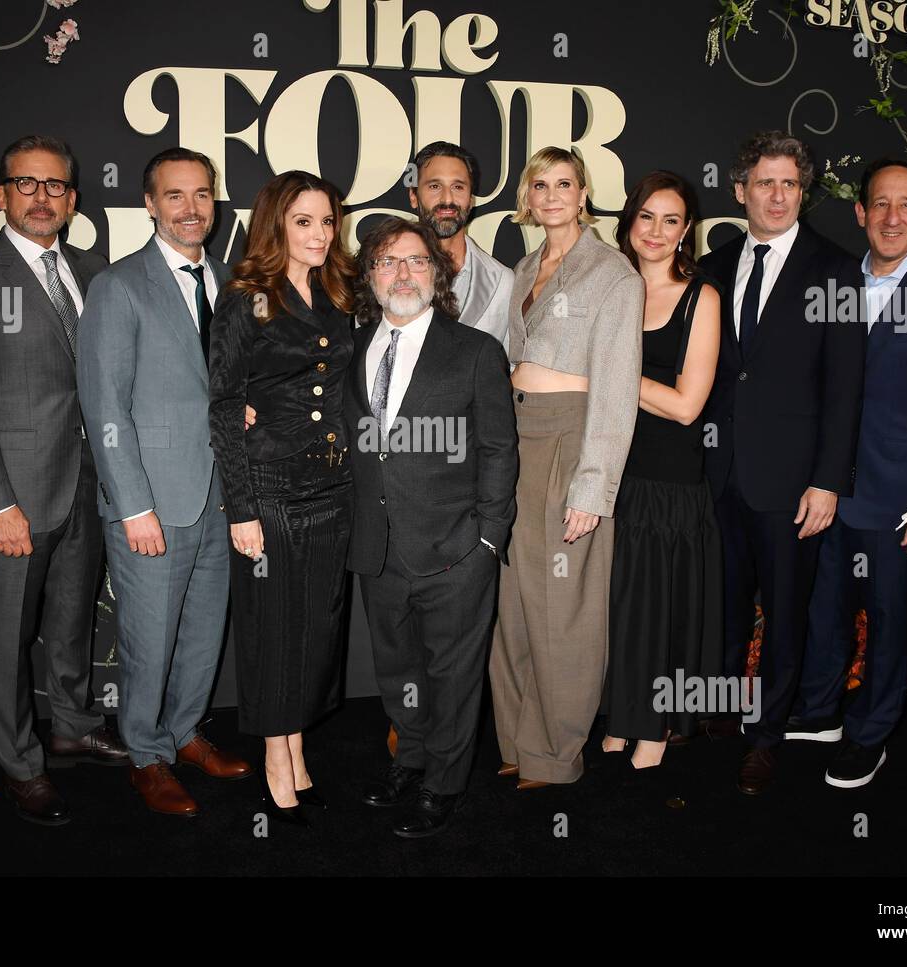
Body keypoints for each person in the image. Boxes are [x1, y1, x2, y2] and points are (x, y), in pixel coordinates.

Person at [0, 135, 127, 828]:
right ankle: (20, 760)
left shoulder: (92, 270)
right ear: (2, 195)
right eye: (27, 184)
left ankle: (73, 723)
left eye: (55, 186)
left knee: (74, 617)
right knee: (10, 630)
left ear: (73, 199)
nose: (42, 197)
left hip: (86, 483)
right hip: (15, 494)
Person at [789, 158, 907, 787]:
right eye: (880, 204)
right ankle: (818, 712)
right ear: (860, 213)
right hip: (827, 490)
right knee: (824, 609)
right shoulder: (834, 284)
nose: (892, 217)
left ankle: (870, 732)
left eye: (906, 206)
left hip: (900, 500)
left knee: (891, 620)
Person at [77, 147, 252, 818]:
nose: (191, 208)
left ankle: (184, 733)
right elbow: (105, 407)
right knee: (149, 639)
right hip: (152, 500)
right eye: (175, 195)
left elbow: (225, 387)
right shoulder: (120, 286)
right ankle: (146, 755)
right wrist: (133, 505)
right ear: (149, 204)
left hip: (221, 497)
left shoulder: (231, 284)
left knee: (204, 631)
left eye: (202, 194)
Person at [698, 130, 866, 795]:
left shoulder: (838, 269)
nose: (776, 195)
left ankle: (766, 736)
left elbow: (847, 386)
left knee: (786, 614)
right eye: (764, 182)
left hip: (794, 481)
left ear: (804, 191)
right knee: (726, 604)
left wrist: (828, 480)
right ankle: (718, 709)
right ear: (740, 190)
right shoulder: (716, 262)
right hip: (720, 472)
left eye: (789, 184)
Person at [346, 217, 517, 837]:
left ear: (437, 273)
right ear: (370, 276)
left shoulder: (474, 350)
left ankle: (444, 783)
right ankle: (408, 760)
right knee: (399, 673)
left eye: (417, 261)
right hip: (378, 548)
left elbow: (500, 449)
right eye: (388, 262)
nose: (403, 273)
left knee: (452, 676)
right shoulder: (352, 347)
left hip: (457, 552)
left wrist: (488, 538)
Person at [490, 146, 645, 788]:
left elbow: (616, 390)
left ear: (584, 194)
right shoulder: (523, 268)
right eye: (540, 184)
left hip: (572, 441)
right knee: (513, 604)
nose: (551, 195)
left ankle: (555, 756)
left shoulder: (615, 275)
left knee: (566, 608)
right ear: (527, 196)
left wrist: (593, 486)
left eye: (564, 184)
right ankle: (517, 741)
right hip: (516, 440)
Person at [208, 170, 358, 827]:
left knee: (317, 628)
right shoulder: (247, 297)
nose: (321, 233)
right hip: (269, 487)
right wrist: (240, 507)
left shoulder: (339, 289)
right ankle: (277, 762)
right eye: (305, 221)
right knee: (275, 626)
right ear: (276, 225)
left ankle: (298, 752)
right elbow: (222, 404)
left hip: (333, 486)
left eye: (328, 220)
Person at [603, 171, 722, 767]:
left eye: (670, 220)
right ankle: (621, 716)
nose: (655, 231)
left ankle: (654, 725)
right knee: (617, 604)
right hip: (610, 473)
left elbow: (685, 406)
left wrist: (610, 375)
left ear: (686, 231)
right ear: (629, 222)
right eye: (646, 216)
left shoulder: (702, 297)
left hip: (668, 479)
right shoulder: (609, 286)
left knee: (657, 607)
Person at [408, 141, 514, 350]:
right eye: (434, 186)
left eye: (458, 187)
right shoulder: (385, 272)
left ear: (471, 199)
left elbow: (506, 366)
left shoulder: (502, 281)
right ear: (413, 196)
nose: (447, 199)